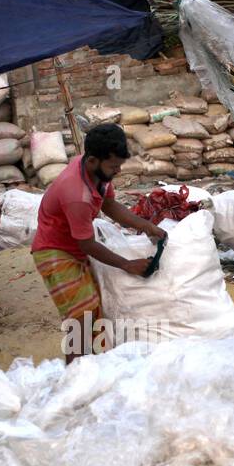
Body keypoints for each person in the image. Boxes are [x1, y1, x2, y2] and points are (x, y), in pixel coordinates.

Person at [31, 123, 166, 363]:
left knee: (92, 313)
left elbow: (110, 205)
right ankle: (75, 375)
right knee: (81, 317)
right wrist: (127, 264)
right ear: (93, 160)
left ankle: (88, 367)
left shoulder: (96, 173)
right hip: (54, 251)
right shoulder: (77, 195)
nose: (118, 171)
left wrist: (144, 225)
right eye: (114, 166)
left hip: (73, 245)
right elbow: (87, 244)